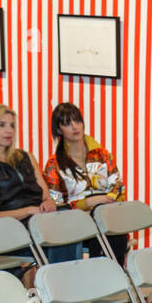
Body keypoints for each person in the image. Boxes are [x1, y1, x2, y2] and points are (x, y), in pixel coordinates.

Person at [0, 104, 77, 265]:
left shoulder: (26, 157)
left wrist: (49, 202)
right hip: (9, 231)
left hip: (40, 222)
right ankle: (59, 285)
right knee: (59, 236)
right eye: (2, 125)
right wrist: (28, 211)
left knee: (73, 225)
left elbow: (46, 195)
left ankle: (69, 283)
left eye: (12, 125)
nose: (9, 130)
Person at [42, 102, 126, 260]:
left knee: (108, 218)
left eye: (77, 121)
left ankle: (111, 273)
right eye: (67, 123)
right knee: (107, 221)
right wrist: (87, 204)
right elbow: (56, 205)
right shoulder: (54, 164)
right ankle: (113, 273)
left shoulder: (102, 155)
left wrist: (105, 201)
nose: (75, 127)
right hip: (75, 223)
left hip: (106, 214)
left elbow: (118, 187)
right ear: (59, 130)